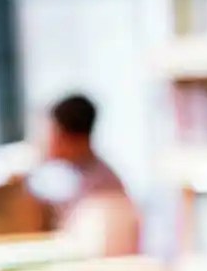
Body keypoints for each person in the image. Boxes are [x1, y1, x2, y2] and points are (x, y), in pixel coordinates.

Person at [35, 94, 141, 257]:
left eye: (49, 132)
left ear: (68, 137)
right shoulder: (78, 173)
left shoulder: (104, 189)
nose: (42, 140)